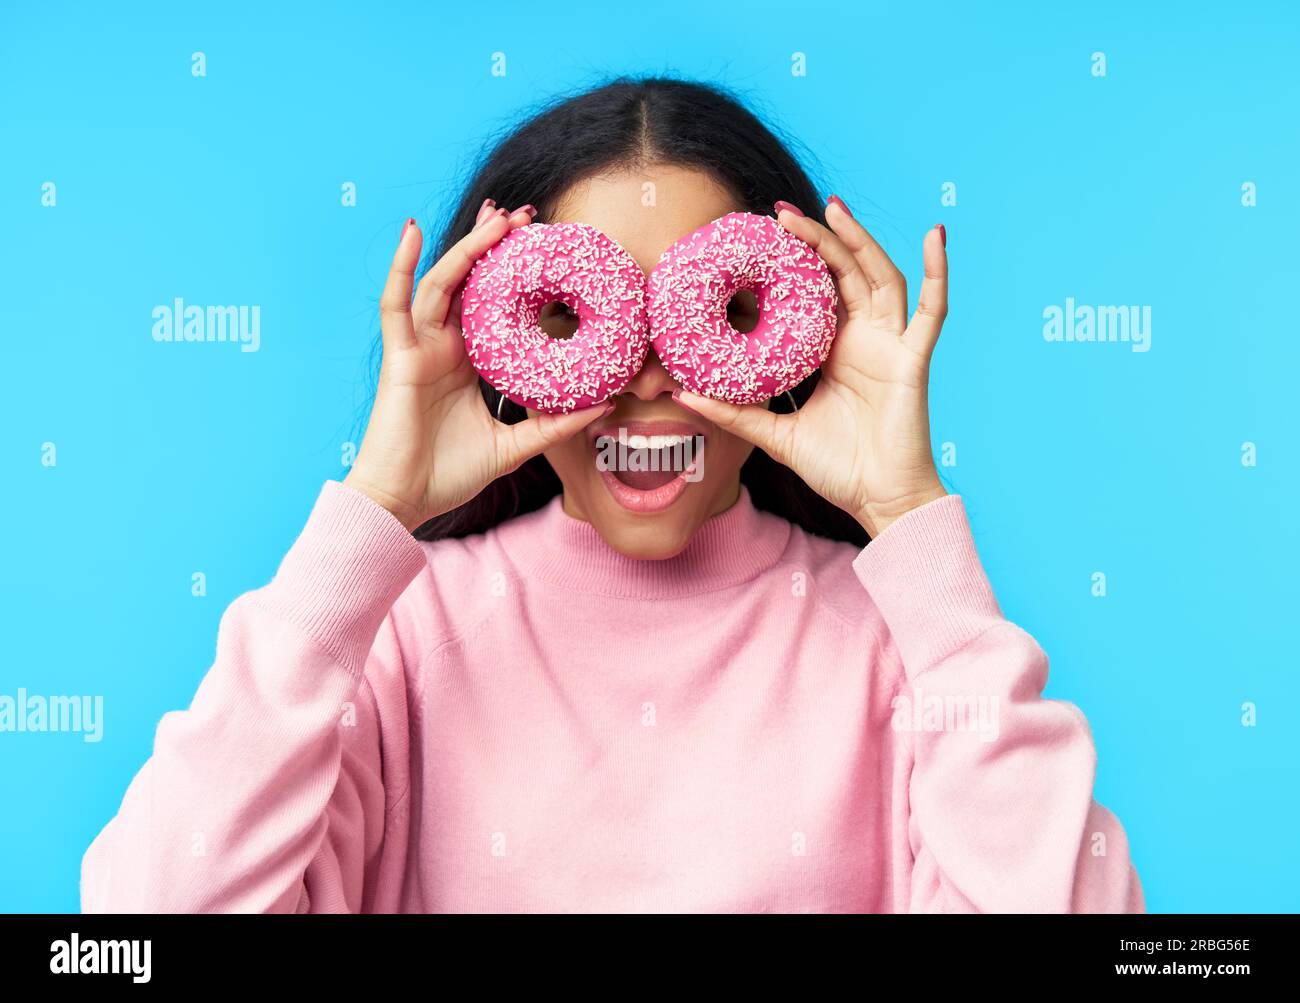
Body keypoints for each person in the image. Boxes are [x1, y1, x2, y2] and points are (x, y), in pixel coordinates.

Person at [80, 77, 1144, 913]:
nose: (645, 382)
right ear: (488, 346)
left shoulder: (902, 649)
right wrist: (371, 516)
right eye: (576, 320)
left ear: (799, 340)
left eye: (714, 312)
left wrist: (909, 518)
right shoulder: (398, 637)